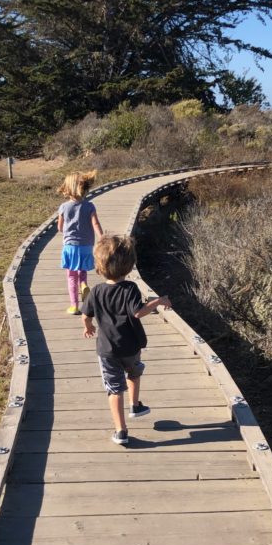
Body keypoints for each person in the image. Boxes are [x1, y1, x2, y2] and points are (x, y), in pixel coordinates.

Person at [82, 234, 171, 445]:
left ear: (99, 266)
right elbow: (138, 312)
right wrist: (158, 301)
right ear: (130, 266)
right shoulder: (130, 288)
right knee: (134, 371)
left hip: (107, 351)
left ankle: (121, 430)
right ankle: (135, 405)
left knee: (114, 389)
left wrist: (88, 327)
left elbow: (86, 315)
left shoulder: (96, 291)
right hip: (131, 346)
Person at [57, 170, 103, 315]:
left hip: (70, 246)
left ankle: (74, 306)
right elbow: (95, 224)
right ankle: (83, 285)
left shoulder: (64, 207)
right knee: (82, 272)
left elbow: (59, 228)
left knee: (71, 275)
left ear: (68, 188)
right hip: (86, 246)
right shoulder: (90, 206)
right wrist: (102, 237)